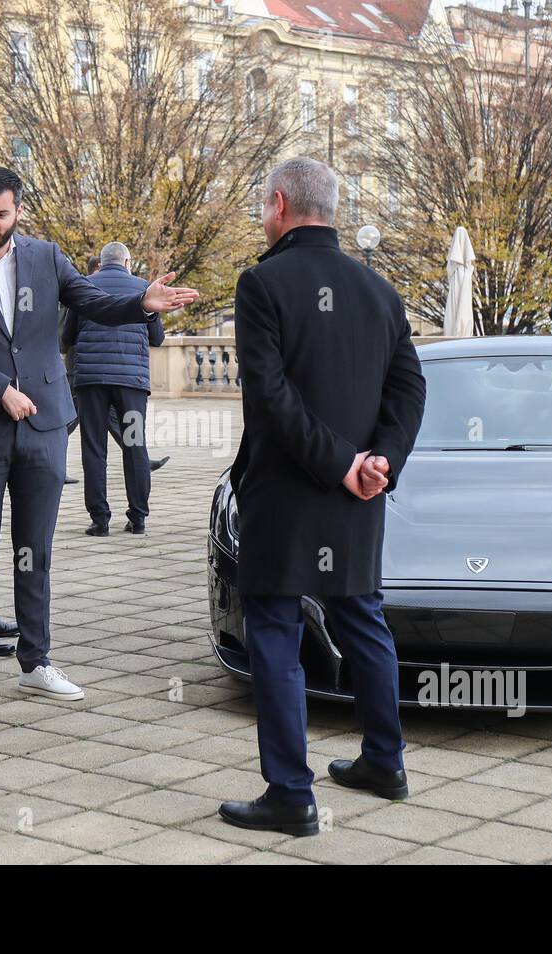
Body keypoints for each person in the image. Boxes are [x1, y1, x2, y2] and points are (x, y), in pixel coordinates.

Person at [217, 157, 426, 837]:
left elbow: (270, 396)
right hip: (359, 492)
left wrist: (343, 465)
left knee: (275, 633)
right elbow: (410, 388)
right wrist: (381, 461)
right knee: (362, 618)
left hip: (286, 490)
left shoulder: (262, 283)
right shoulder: (378, 289)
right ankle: (385, 762)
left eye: (262, 205)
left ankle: (290, 794)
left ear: (279, 204)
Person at [0, 165, 198, 712]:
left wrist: (142, 302)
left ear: (18, 211)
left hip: (44, 423)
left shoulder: (46, 256)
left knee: (35, 549)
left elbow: (92, 302)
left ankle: (36, 661)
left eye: (1, 214)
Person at [62, 242, 164, 535]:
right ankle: (138, 517)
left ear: (102, 262)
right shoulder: (143, 288)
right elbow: (157, 338)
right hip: (131, 383)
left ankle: (100, 520)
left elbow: (66, 337)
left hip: (91, 381)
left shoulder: (83, 286)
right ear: (128, 263)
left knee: (94, 449)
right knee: (134, 446)